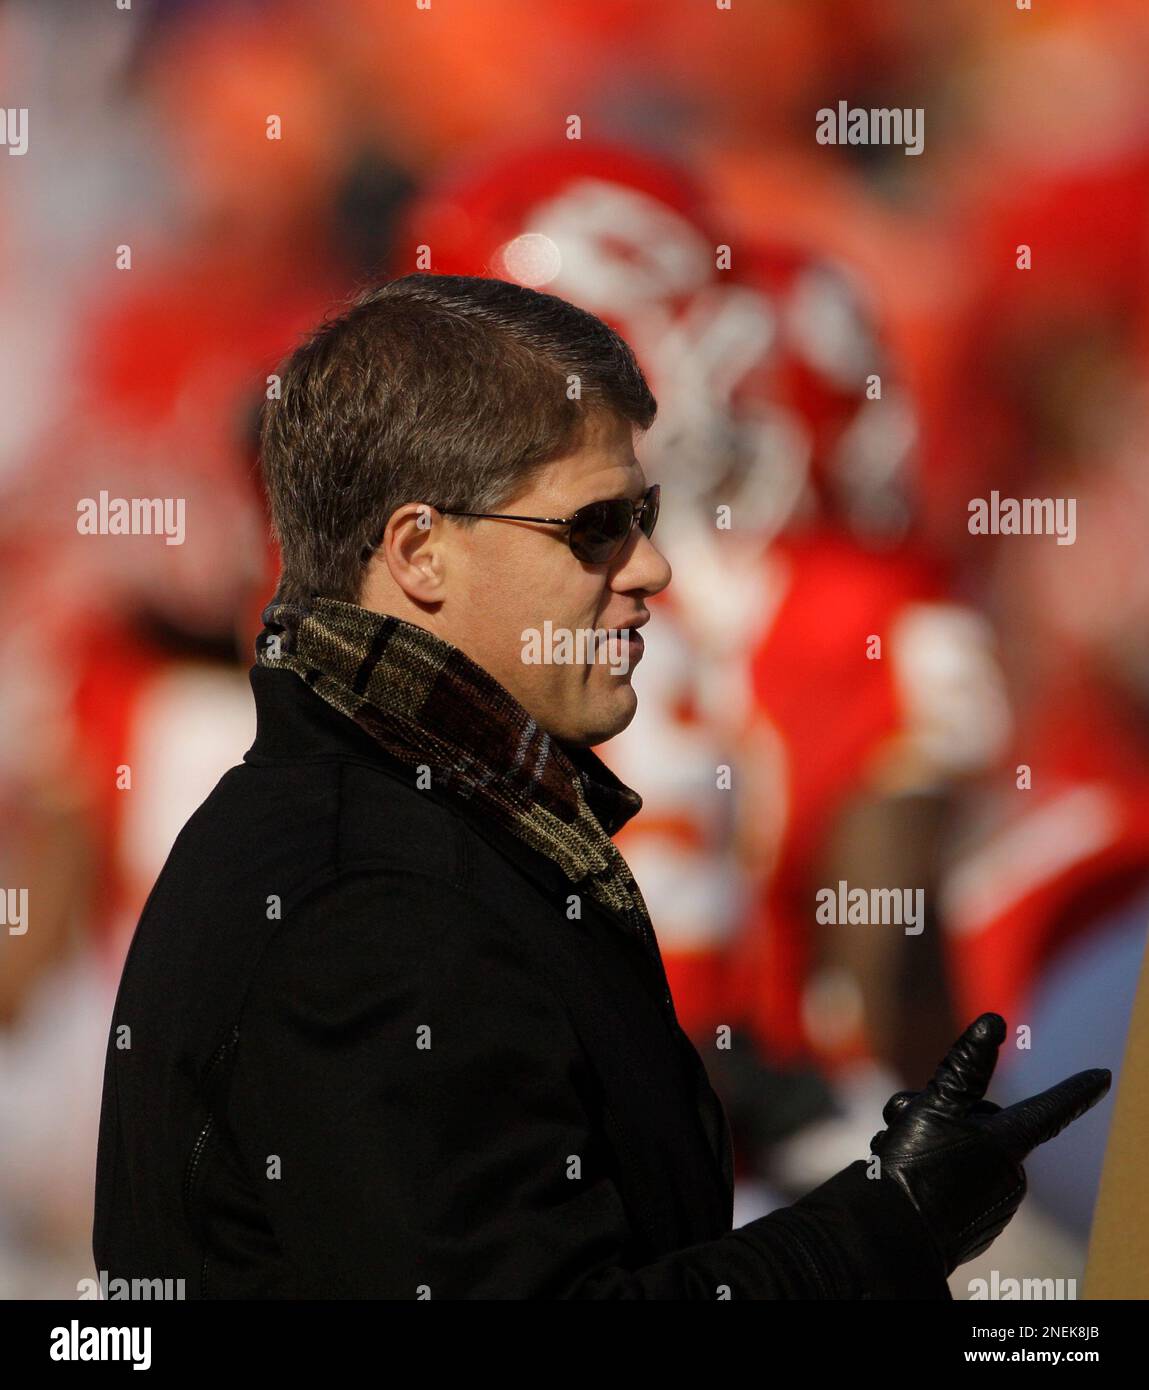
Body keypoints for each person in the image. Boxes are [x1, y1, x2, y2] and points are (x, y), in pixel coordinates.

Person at [92, 273, 1110, 1298]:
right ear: (420, 551)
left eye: (647, 513)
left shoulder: (399, 824)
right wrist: (888, 1228)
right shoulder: (373, 898)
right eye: (594, 526)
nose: (653, 567)